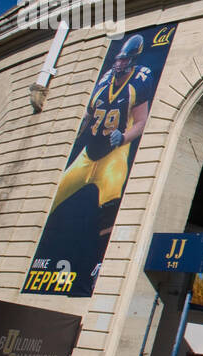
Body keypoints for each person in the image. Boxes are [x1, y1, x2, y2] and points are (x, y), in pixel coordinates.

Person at [45, 34, 153, 244]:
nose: (120, 63)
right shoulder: (104, 81)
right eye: (118, 59)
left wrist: (122, 137)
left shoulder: (137, 84)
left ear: (132, 61)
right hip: (88, 154)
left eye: (124, 59)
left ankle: (101, 259)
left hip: (113, 154)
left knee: (111, 205)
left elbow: (141, 121)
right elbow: (88, 114)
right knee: (53, 196)